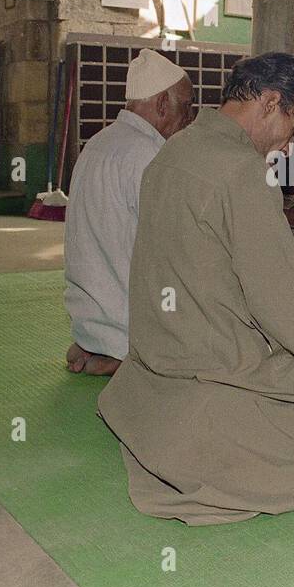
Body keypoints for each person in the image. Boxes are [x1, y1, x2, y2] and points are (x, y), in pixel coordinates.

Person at [97, 52, 294, 524]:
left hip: (150, 375)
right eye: (293, 131)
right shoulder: (243, 173)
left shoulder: (172, 154)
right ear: (270, 103)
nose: (288, 149)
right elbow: (286, 310)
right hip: (211, 378)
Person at [64, 49, 194, 376]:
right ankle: (125, 353)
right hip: (129, 327)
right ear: (163, 104)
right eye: (187, 107)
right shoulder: (151, 155)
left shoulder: (96, 143)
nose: (189, 120)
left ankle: (95, 343)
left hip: (90, 321)